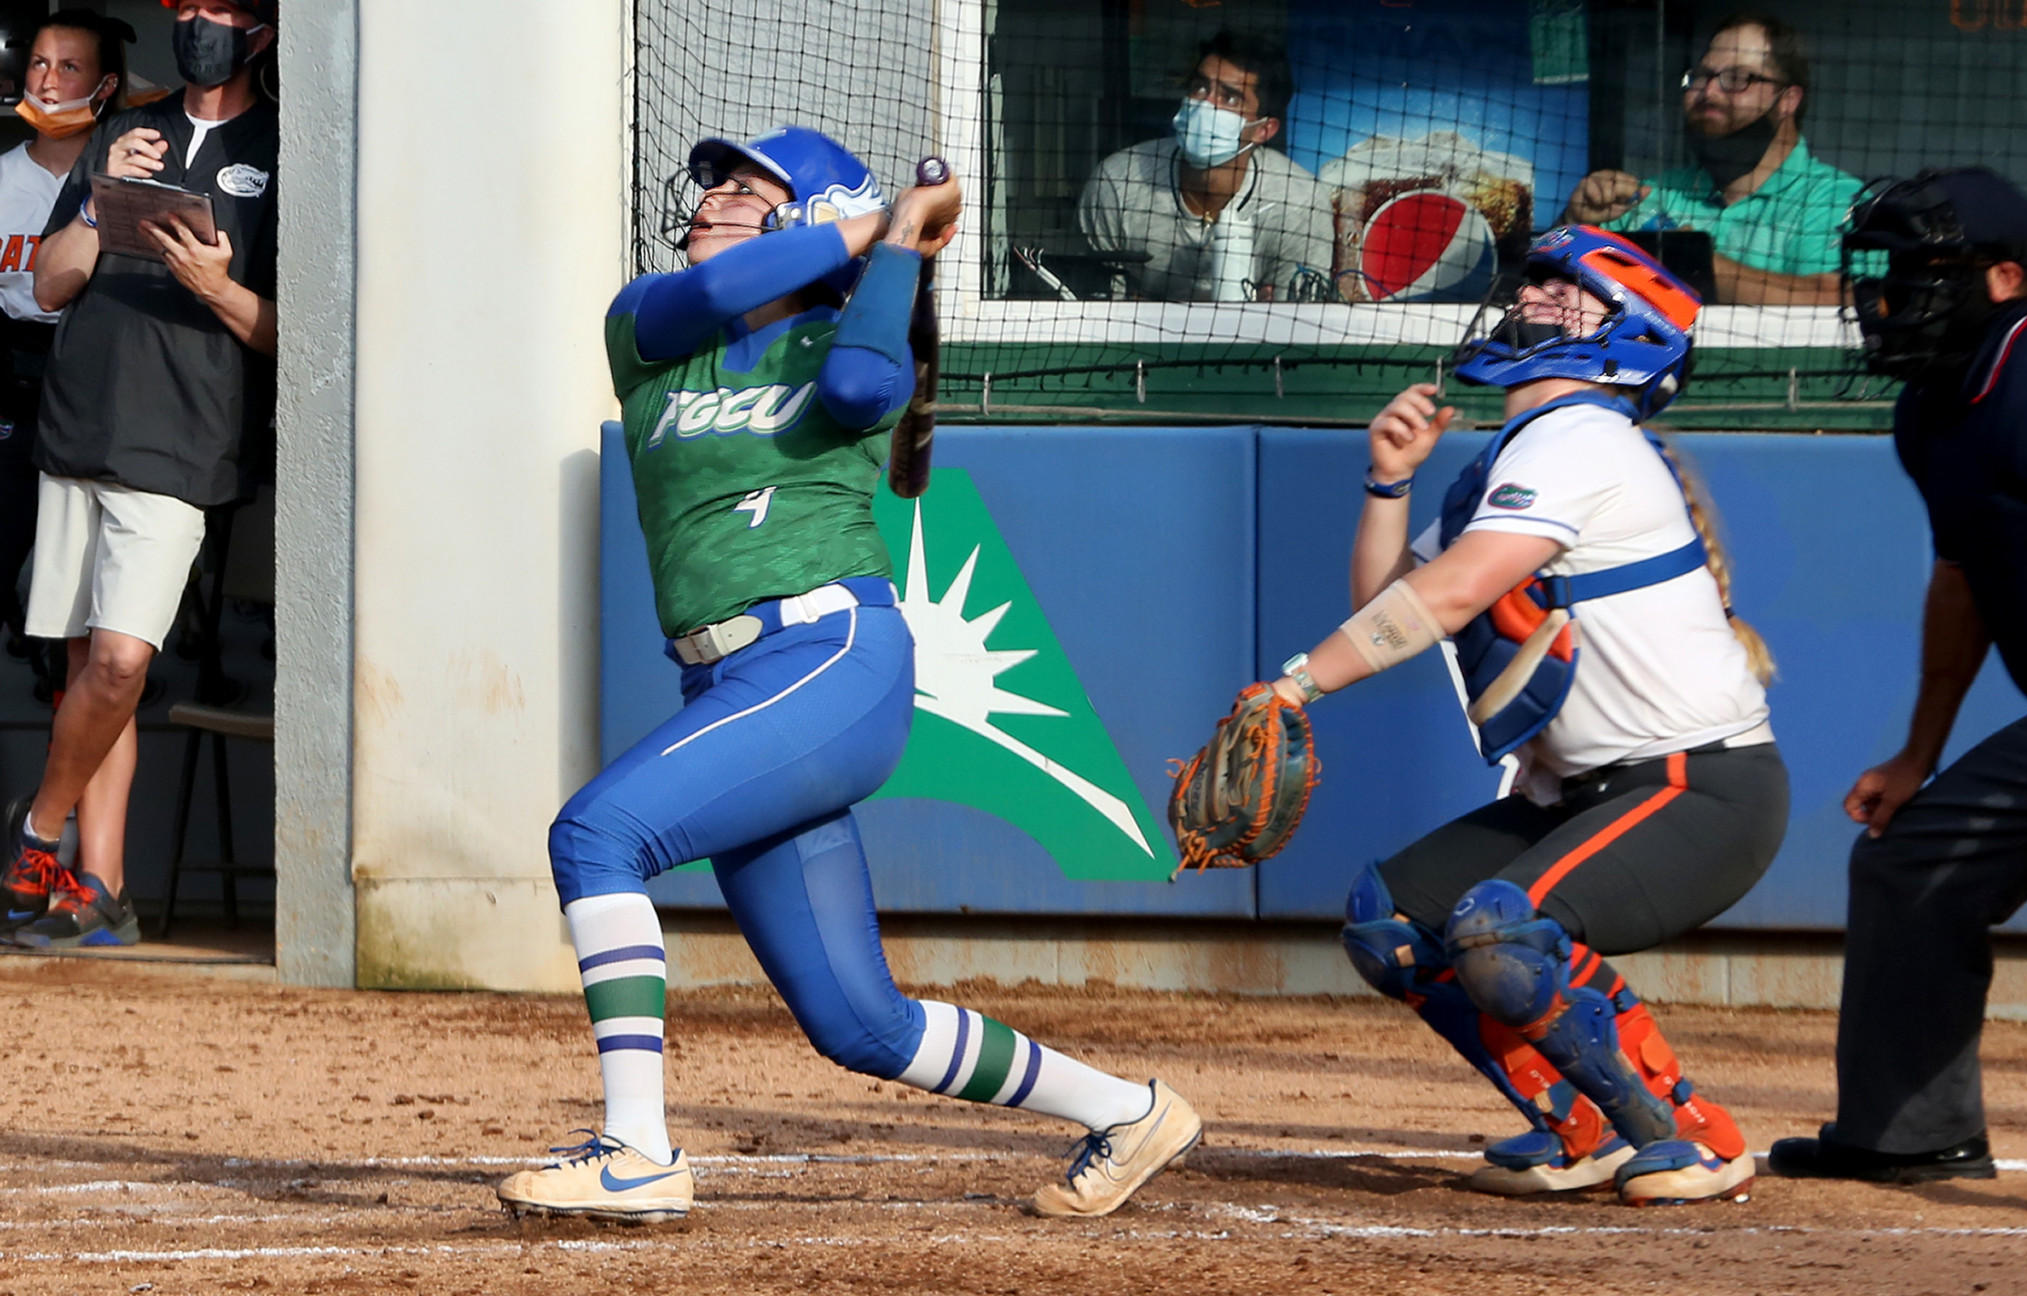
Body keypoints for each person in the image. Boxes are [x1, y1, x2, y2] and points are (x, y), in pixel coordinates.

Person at [493, 126, 1201, 1224]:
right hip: (725, 684)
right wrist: (886, 228)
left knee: (596, 835)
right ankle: (1129, 1109)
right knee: (857, 1025)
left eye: (746, 187)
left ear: (811, 216)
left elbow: (870, 390)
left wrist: (894, 257)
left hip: (828, 657)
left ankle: (636, 1148)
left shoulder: (846, 336)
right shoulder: (650, 326)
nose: (713, 198)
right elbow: (723, 285)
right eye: (715, 183)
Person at [1249, 226, 1787, 1204]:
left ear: (1626, 333)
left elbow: (1449, 598)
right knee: (1392, 920)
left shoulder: (1583, 435)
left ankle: (1688, 1132)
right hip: (1578, 795)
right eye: (1533, 281)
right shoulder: (1516, 451)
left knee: (1501, 928)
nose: (1532, 296)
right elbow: (1388, 602)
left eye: (1562, 288)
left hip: (1695, 788)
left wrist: (1296, 683)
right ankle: (1579, 1123)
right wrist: (1388, 482)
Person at [1769, 169, 2027, 1187]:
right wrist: (1917, 752)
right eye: (1881, 274)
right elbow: (1961, 575)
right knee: (1909, 865)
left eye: (1924, 272)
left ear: (2006, 278)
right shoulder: (1931, 410)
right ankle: (1910, 1132)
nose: (1886, 299)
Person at [0, 0, 276, 949]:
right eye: (186, 9)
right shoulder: (127, 129)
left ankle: (34, 828)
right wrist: (94, 197)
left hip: (185, 442)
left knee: (120, 664)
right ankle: (100, 887)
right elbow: (47, 284)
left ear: (262, 33)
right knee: (85, 670)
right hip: (78, 427)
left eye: (218, 10)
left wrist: (218, 289)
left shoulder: (289, 146)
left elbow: (304, 334)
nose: (198, 24)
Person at [1563, 13, 1861, 306]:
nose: (1707, 92)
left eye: (1736, 78)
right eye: (1699, 77)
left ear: (1787, 100)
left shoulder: (1837, 200)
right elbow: (1557, 287)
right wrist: (1572, 224)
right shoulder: (1649, 196)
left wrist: (1694, 263)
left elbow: (1845, 297)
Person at [0, 10, 129, 661]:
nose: (48, 82)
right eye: (39, 64)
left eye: (70, 66)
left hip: (102, 389)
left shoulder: (129, 177)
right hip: (15, 382)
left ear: (106, 86)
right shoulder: (2, 177)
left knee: (90, 590)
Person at [1077, 30, 1324, 302]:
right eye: (1200, 87)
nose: (1205, 105)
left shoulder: (1301, 202)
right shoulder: (1118, 183)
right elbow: (1099, 311)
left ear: (1264, 130)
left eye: (1230, 98)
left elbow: (1292, 321)